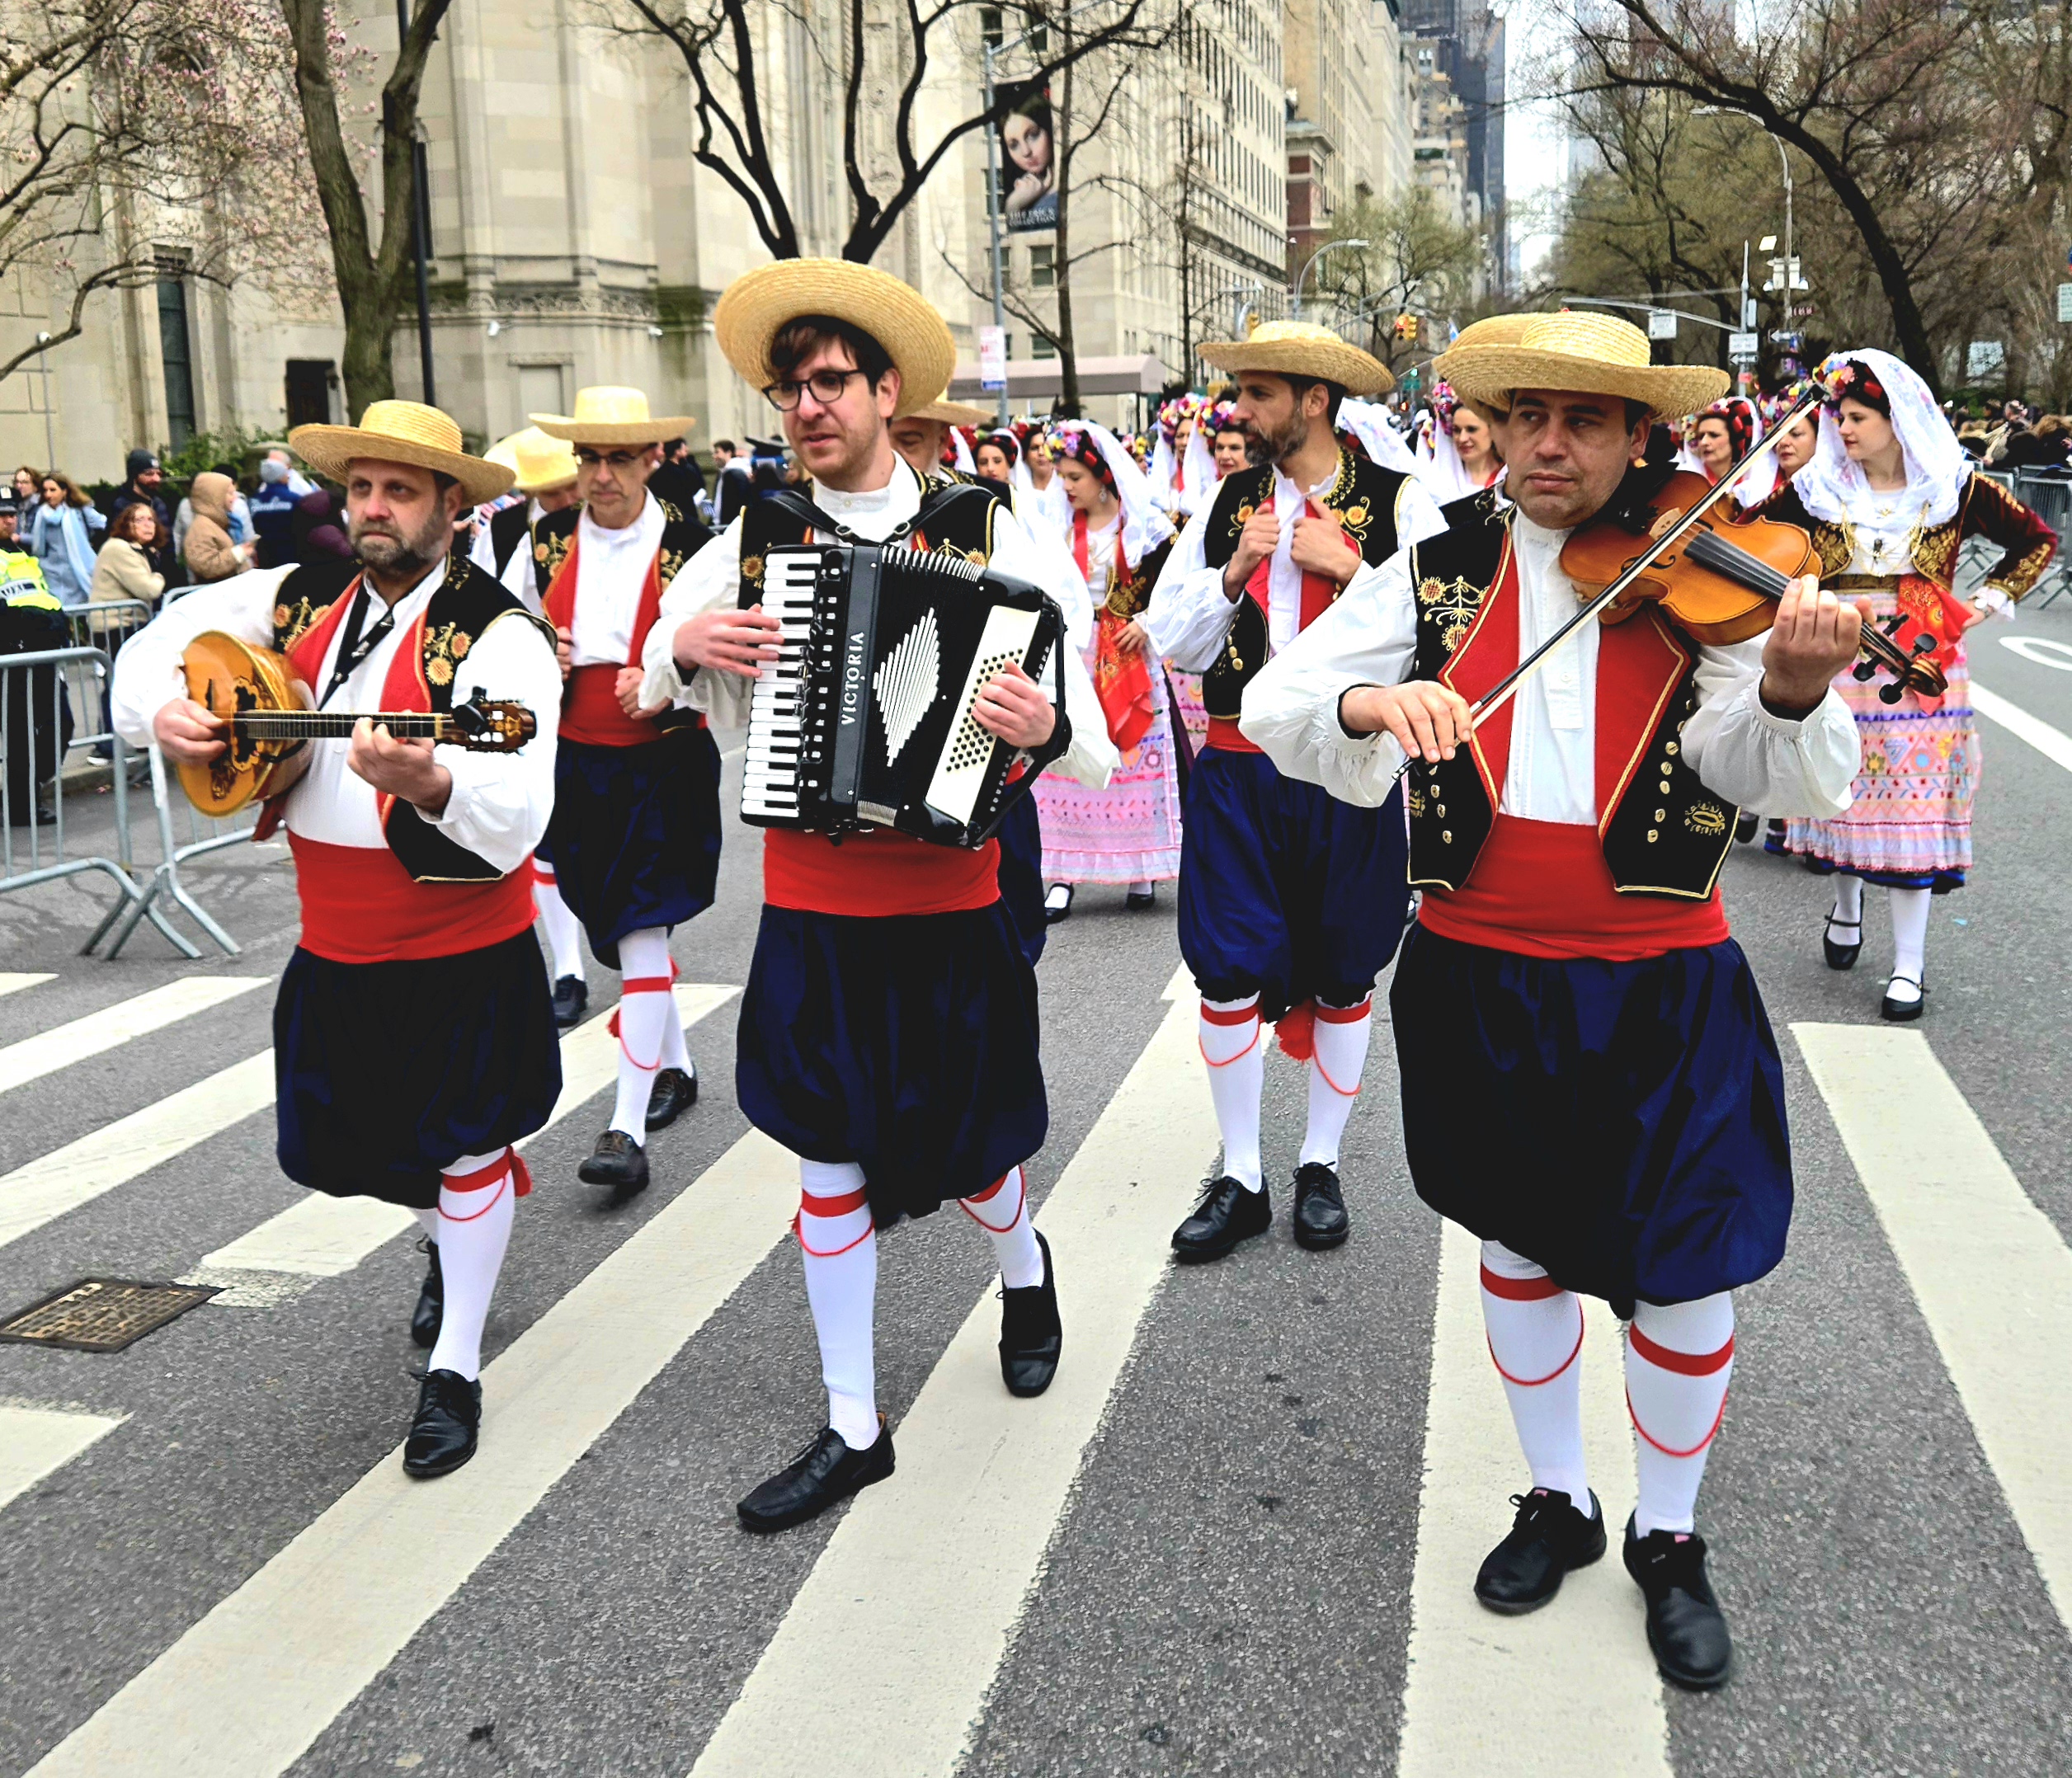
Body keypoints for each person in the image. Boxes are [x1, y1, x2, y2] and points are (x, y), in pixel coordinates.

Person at [1241, 308, 1867, 1691]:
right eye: (1522, 415)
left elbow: (1778, 774)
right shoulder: (1439, 555)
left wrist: (1788, 682)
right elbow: (1284, 700)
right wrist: (1371, 711)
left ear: (1640, 435)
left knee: (1685, 1273)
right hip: (1478, 967)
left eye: (1583, 420)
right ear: (1486, 425)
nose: (1545, 444)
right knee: (1514, 1244)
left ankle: (1669, 1532)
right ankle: (1556, 1498)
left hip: (1659, 980)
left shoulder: (1700, 563)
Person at [645, 258, 1095, 1532]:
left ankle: (1024, 1264)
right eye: (790, 388)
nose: (806, 406)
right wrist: (685, 652)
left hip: (951, 905)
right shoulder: (747, 539)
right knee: (827, 1157)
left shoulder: (991, 528)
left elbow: (1075, 717)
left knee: (974, 1151)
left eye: (830, 381)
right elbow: (647, 683)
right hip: (814, 906)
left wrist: (1042, 721)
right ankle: (853, 1423)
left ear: (888, 391)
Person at [111, 401, 563, 1479]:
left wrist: (438, 777)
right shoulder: (297, 595)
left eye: (398, 490)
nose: (371, 507)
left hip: (459, 941)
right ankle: (452, 1236)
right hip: (338, 939)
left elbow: (521, 805)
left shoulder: (499, 633)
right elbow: (165, 642)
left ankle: (455, 1366)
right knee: (339, 1149)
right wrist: (165, 714)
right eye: (360, 487)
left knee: (463, 1142)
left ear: (451, 508)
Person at [1139, 319, 1446, 1263]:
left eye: (1258, 395)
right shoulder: (1227, 501)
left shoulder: (1400, 502)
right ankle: (1241, 1171)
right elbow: (1171, 638)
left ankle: (1319, 1161)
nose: (1239, 412)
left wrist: (1354, 574)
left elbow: (1446, 637)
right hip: (1236, 768)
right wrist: (1235, 568)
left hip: (1348, 768)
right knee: (1225, 968)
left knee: (1347, 963)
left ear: (1313, 400)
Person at [1757, 350, 2056, 1018]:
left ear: (1897, 419)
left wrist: (1988, 600)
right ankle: (1844, 905)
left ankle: (1910, 966)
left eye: (1858, 417)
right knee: (1839, 789)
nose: (1846, 431)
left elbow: (2036, 540)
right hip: (1838, 656)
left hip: (1923, 664)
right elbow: (1753, 540)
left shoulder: (1955, 486)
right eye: (1841, 418)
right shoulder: (1815, 489)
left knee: (1911, 807)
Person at [527, 387, 717, 1185]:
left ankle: (623, 1128)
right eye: (590, 458)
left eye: (618, 457)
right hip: (578, 762)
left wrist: (674, 667)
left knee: (642, 933)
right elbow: (503, 643)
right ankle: (677, 1065)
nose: (601, 474)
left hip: (664, 759)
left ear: (650, 459)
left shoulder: (694, 544)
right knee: (615, 922)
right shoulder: (538, 542)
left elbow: (738, 652)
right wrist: (545, 649)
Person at [888, 395, 1116, 966]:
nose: (892, 455)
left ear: (944, 439)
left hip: (981, 789)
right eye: (884, 435)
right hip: (845, 844)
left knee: (1003, 970)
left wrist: (1054, 724)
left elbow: (1058, 608)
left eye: (910, 440)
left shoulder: (985, 514)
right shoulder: (796, 524)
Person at [1038, 420, 1183, 919]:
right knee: (1068, 761)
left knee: (1132, 759)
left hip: (1127, 654)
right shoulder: (1058, 529)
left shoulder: (1146, 527)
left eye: (1075, 475)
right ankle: (1064, 873)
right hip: (1076, 654)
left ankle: (1140, 868)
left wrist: (1146, 622)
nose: (1067, 486)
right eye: (1063, 476)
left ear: (1103, 476)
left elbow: (1177, 587)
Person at [468, 427, 580, 607]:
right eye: (552, 493)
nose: (567, 501)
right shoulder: (500, 531)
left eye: (574, 487)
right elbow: (478, 599)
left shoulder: (605, 520)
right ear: (530, 491)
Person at [29, 471, 106, 607]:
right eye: (45, 490)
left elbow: (103, 524)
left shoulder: (78, 511)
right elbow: (38, 545)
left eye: (53, 490)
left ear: (64, 492)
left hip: (78, 571)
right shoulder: (41, 515)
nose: (48, 495)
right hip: (51, 573)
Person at [181, 471, 255, 584]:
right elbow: (204, 566)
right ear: (215, 496)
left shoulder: (217, 523)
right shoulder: (202, 528)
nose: (234, 498)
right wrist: (237, 553)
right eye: (230, 493)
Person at [89, 500, 166, 608]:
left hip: (131, 619)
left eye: (151, 520)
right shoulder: (119, 548)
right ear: (127, 525)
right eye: (139, 520)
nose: (147, 525)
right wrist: (159, 576)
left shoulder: (146, 550)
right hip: (118, 621)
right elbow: (149, 590)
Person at [1001, 94, 1057, 228]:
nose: (1026, 152)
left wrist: (1013, 205)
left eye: (1033, 135)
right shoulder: (1026, 190)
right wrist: (1014, 204)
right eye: (1014, 145)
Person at [248, 454, 304, 569]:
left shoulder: (253, 501)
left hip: (264, 556)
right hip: (292, 555)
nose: (288, 476)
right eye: (285, 473)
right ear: (280, 476)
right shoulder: (295, 499)